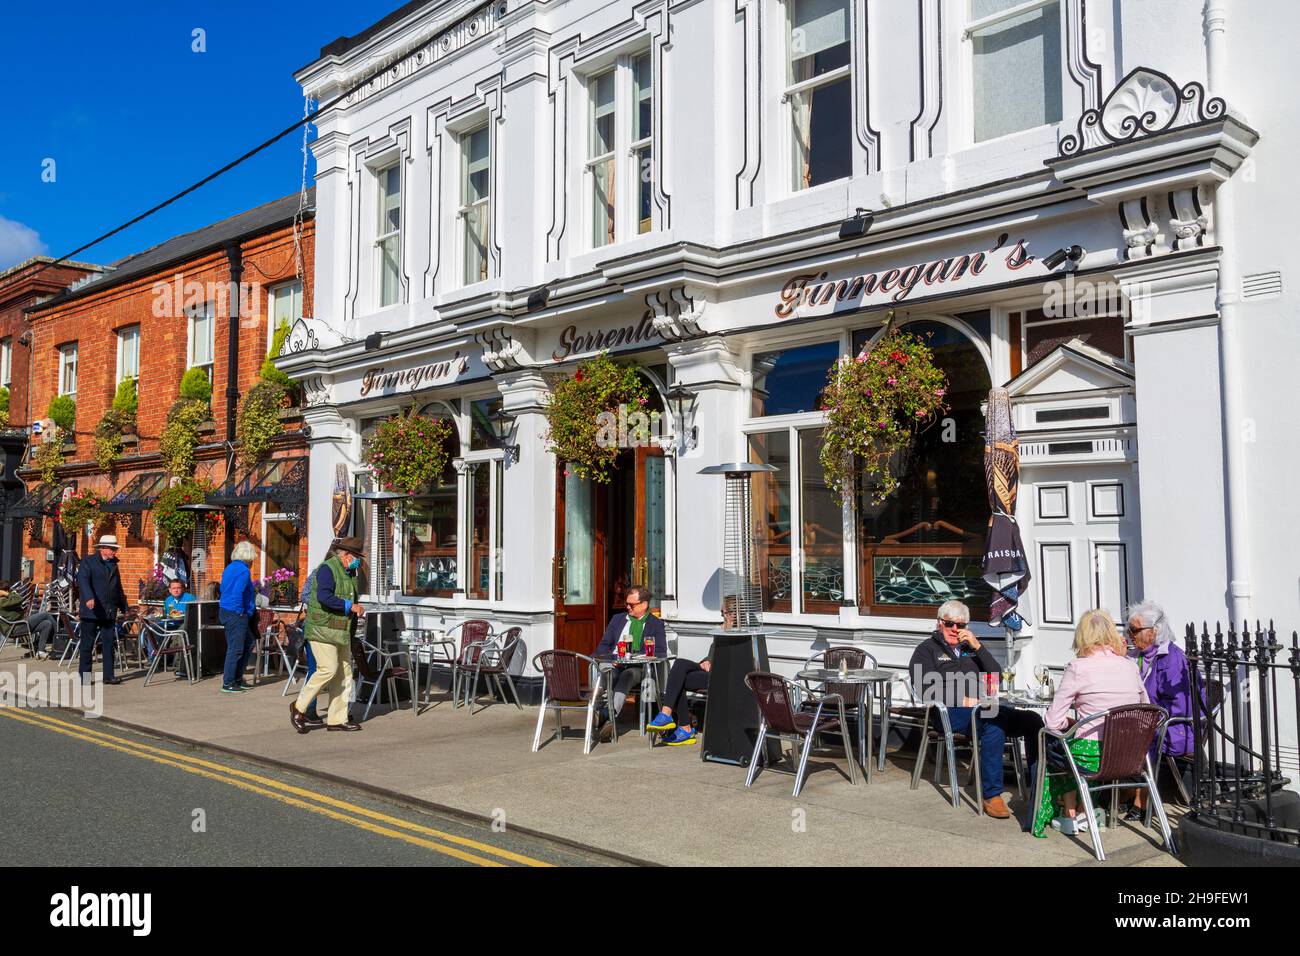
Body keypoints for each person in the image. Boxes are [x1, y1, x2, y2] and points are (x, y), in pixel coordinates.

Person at [907, 599, 1043, 820]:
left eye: (960, 625)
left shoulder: (970, 649)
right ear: (939, 623)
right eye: (950, 624)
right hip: (948, 713)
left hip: (983, 708)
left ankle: (1040, 785)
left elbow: (995, 675)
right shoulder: (926, 650)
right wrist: (963, 699)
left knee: (1032, 720)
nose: (954, 629)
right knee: (994, 722)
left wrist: (978, 647)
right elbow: (924, 689)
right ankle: (992, 795)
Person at [1033, 608, 1149, 837]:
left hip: (1093, 758)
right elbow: (1146, 710)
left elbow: (1052, 721)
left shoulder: (1078, 667)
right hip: (1129, 755)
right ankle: (1089, 810)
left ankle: (1070, 812)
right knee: (1074, 744)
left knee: (1055, 744)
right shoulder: (1129, 666)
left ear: (1082, 636)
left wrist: (1070, 722)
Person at [290, 538, 366, 733]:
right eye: (356, 556)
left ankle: (336, 719)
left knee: (344, 674)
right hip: (321, 629)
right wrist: (350, 606)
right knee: (328, 669)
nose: (358, 560)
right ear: (346, 554)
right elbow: (324, 596)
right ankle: (299, 707)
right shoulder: (327, 569)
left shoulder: (350, 572)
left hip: (341, 630)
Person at [1126, 599, 1194, 817]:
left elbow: (1177, 705)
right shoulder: (1135, 656)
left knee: (1141, 734)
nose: (1130, 635)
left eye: (1134, 630)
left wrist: (1143, 715)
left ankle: (1141, 801)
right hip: (1143, 719)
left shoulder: (1172, 658)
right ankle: (1122, 793)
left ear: (1153, 632)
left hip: (1174, 726)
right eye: (1129, 630)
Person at [646, 603, 734, 747]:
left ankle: (677, 722)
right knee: (679, 669)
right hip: (710, 671)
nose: (725, 616)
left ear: (739, 612)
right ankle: (676, 722)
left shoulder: (744, 632)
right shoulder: (721, 629)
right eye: (723, 613)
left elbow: (736, 660)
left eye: (729, 612)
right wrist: (707, 661)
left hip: (725, 676)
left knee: (679, 673)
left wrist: (716, 662)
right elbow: (712, 654)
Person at [593, 585, 667, 742]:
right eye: (626, 603)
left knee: (627, 675)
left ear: (644, 604)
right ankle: (605, 711)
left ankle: (605, 713)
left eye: (631, 605)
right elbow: (603, 646)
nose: (627, 607)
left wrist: (637, 656)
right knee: (607, 673)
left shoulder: (655, 624)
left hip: (637, 667)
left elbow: (661, 651)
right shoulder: (618, 619)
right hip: (613, 663)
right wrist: (609, 659)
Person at [76, 535, 129, 685]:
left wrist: (125, 607)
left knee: (109, 644)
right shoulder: (88, 562)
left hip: (109, 611)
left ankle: (108, 675)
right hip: (91, 611)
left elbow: (118, 588)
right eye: (112, 549)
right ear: (102, 548)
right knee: (87, 645)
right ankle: (85, 678)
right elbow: (83, 580)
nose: (114, 552)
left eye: (115, 549)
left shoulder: (113, 564)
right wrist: (88, 597)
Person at [218, 540, 259, 694]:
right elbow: (237, 592)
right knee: (236, 648)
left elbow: (223, 588)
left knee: (248, 643)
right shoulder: (243, 570)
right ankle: (228, 682)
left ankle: (237, 678)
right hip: (236, 613)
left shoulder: (229, 568)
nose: (253, 560)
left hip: (227, 611)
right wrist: (241, 611)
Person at [143, 578, 196, 661]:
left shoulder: (190, 598)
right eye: (174, 588)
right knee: (152, 628)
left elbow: (194, 614)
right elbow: (166, 615)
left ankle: (167, 658)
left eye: (178, 588)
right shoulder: (168, 600)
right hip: (171, 623)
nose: (176, 590)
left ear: (182, 589)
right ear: (170, 590)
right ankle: (153, 658)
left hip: (184, 624)